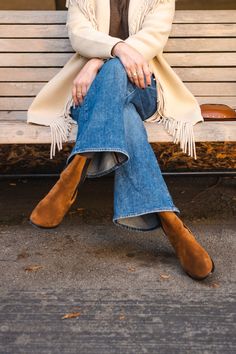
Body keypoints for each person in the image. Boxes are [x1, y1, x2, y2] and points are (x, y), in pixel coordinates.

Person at [27, 0, 214, 280]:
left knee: (115, 71)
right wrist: (116, 49)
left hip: (142, 87)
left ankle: (78, 167)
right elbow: (78, 33)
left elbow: (152, 39)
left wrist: (97, 61)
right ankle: (168, 220)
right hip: (88, 96)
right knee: (124, 115)